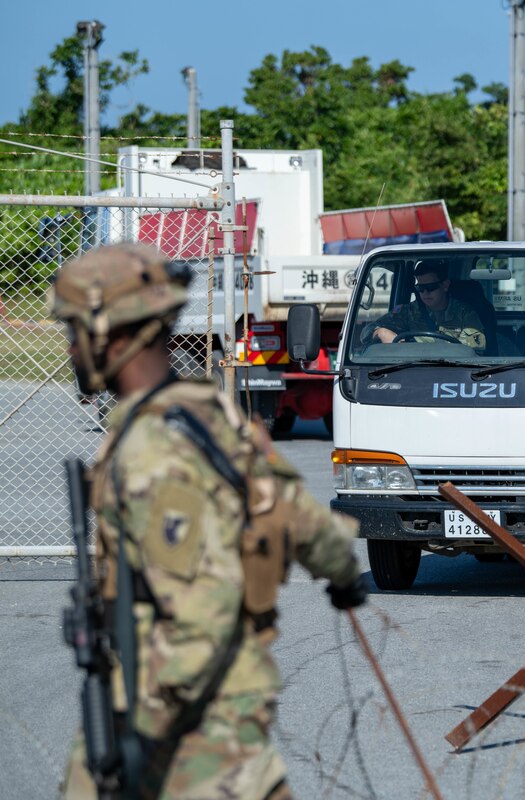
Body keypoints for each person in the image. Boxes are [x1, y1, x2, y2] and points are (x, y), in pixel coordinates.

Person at [53, 243, 369, 799]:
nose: (71, 348)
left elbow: (201, 620)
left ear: (113, 336)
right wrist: (342, 574)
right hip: (226, 724)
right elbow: (294, 511)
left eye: (75, 331)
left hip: (188, 734)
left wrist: (133, 740)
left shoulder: (152, 451)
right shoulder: (208, 412)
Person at [372, 260, 486, 350]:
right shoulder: (407, 311)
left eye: (431, 287)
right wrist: (381, 332)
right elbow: (368, 330)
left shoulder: (465, 313)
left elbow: (473, 352)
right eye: (420, 288)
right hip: (411, 369)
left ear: (445, 285)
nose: (425, 293)